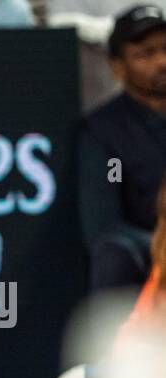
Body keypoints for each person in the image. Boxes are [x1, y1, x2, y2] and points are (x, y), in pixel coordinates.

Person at [80, 5, 166, 291]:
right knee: (113, 253)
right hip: (145, 251)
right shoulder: (102, 130)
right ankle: (118, 335)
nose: (162, 62)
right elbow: (104, 227)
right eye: (145, 54)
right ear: (118, 67)